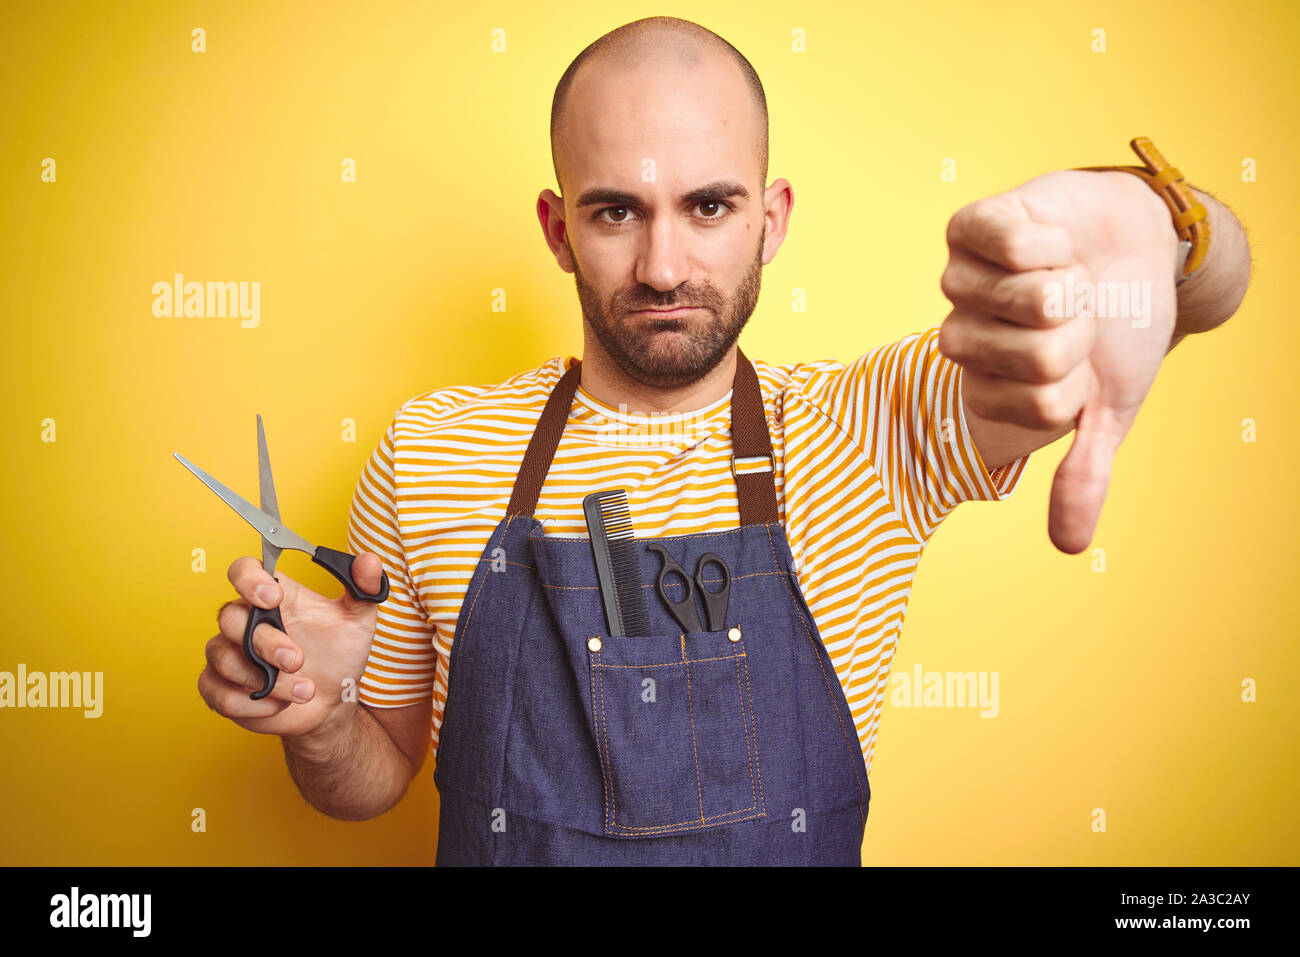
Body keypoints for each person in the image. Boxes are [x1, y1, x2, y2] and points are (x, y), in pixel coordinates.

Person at [197, 17, 1251, 865]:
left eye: (707, 205)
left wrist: (1166, 230)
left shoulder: (871, 432)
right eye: (615, 212)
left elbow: (1208, 287)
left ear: (771, 218)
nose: (662, 266)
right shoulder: (430, 449)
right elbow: (370, 782)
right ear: (558, 229)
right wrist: (321, 716)